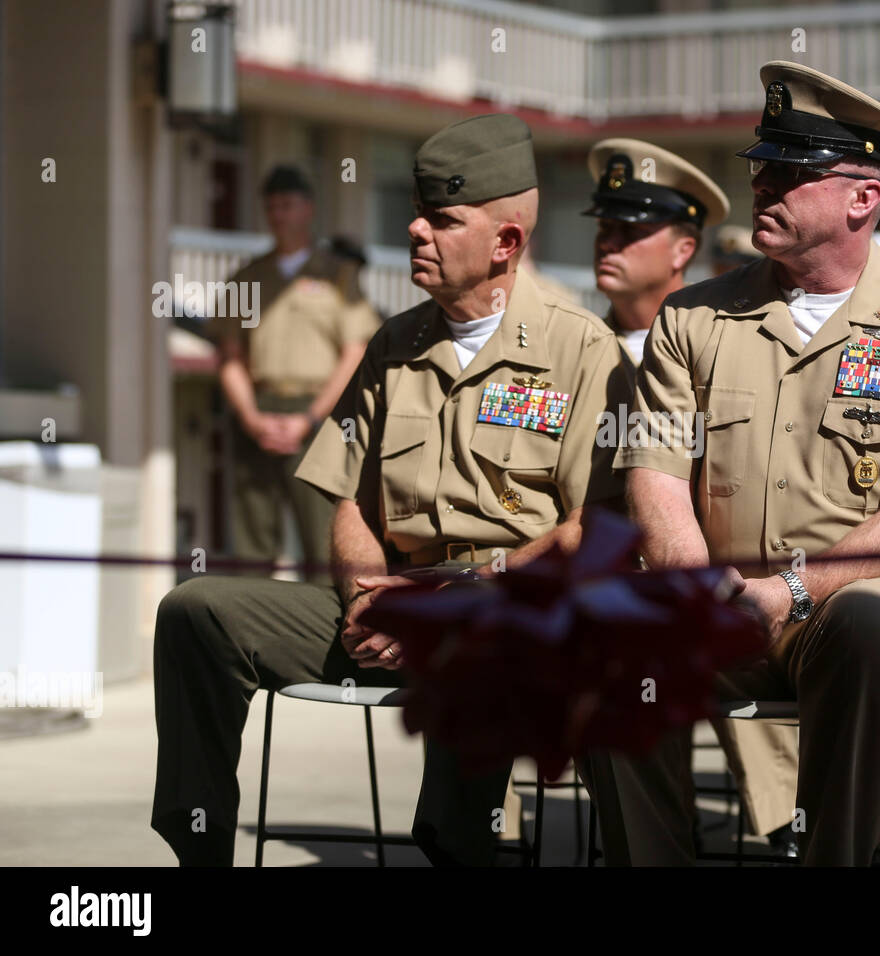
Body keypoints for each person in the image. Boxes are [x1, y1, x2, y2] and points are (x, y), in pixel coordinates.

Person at [152, 114, 628, 866]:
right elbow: (351, 499)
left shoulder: (582, 349)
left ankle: (457, 847)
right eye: (418, 213)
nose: (414, 230)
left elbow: (587, 529)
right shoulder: (393, 344)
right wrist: (369, 596)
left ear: (505, 242)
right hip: (395, 600)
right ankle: (198, 848)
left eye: (442, 220)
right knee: (198, 611)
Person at [583, 61, 880, 866]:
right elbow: (656, 475)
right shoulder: (694, 316)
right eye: (762, 165)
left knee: (875, 625)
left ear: (862, 198)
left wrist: (791, 592)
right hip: (718, 602)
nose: (764, 184)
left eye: (792, 171)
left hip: (859, 610)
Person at [583, 136, 801, 857]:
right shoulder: (570, 348)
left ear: (681, 250)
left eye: (630, 231)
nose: (607, 243)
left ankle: (785, 824)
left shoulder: (726, 336)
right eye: (602, 228)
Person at [217, 166, 381, 584]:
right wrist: (252, 418)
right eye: (271, 206)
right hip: (260, 409)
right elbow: (230, 356)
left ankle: (319, 641)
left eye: (287, 204)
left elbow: (355, 353)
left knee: (323, 543)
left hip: (319, 412)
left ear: (308, 209)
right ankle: (248, 640)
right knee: (252, 546)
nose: (278, 214)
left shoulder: (338, 276)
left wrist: (309, 419)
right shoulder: (248, 277)